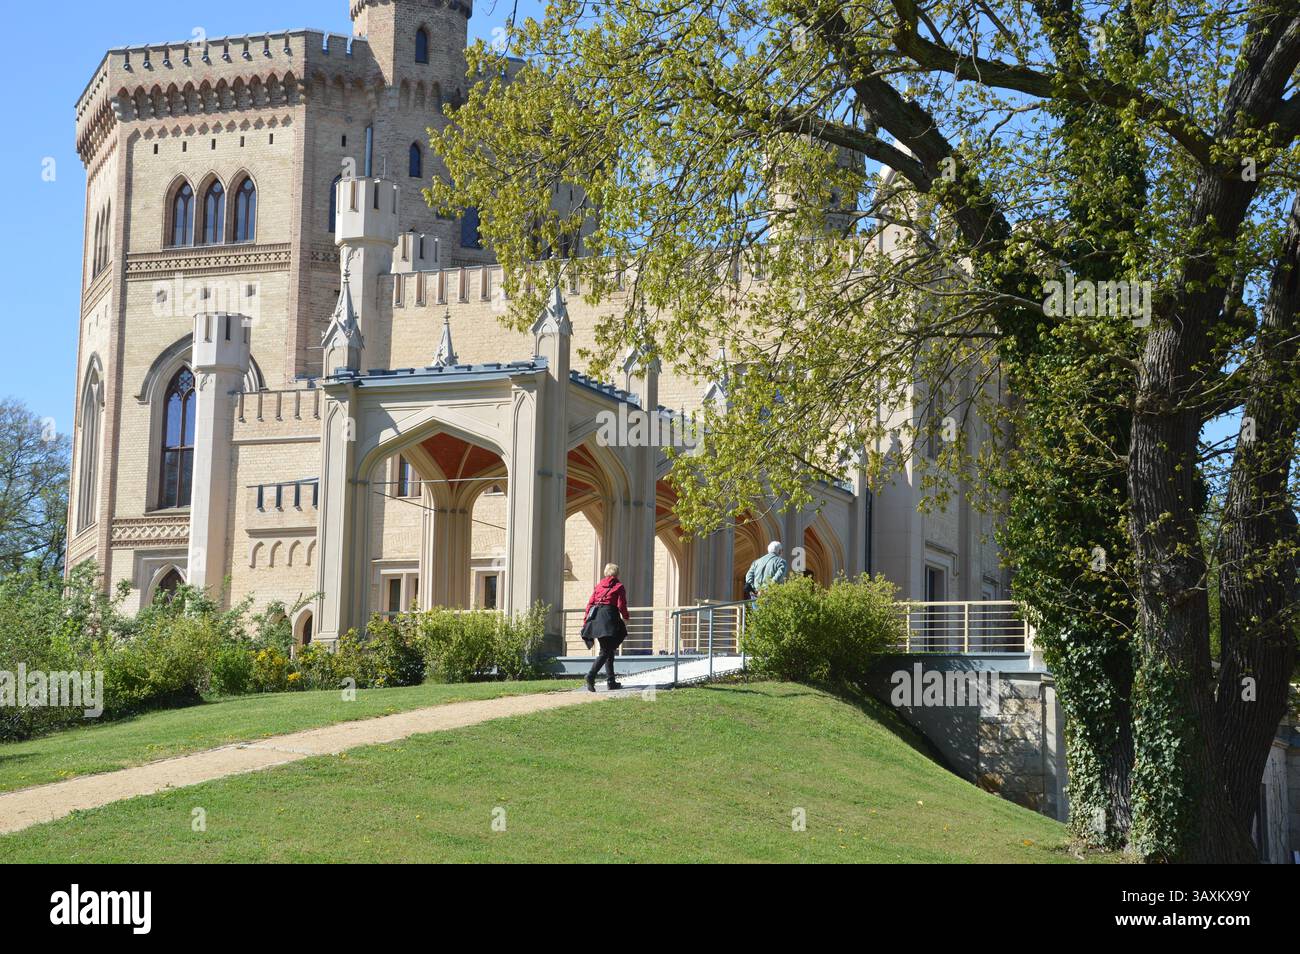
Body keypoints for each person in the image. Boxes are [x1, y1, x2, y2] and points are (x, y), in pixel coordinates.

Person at [583, 563, 629, 691]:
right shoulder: (619, 586)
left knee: (608, 650)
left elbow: (590, 604)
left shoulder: (598, 586)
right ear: (617, 573)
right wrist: (626, 617)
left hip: (597, 621)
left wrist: (586, 620)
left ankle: (611, 681)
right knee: (606, 651)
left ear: (605, 573)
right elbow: (621, 605)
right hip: (610, 619)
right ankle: (591, 676)